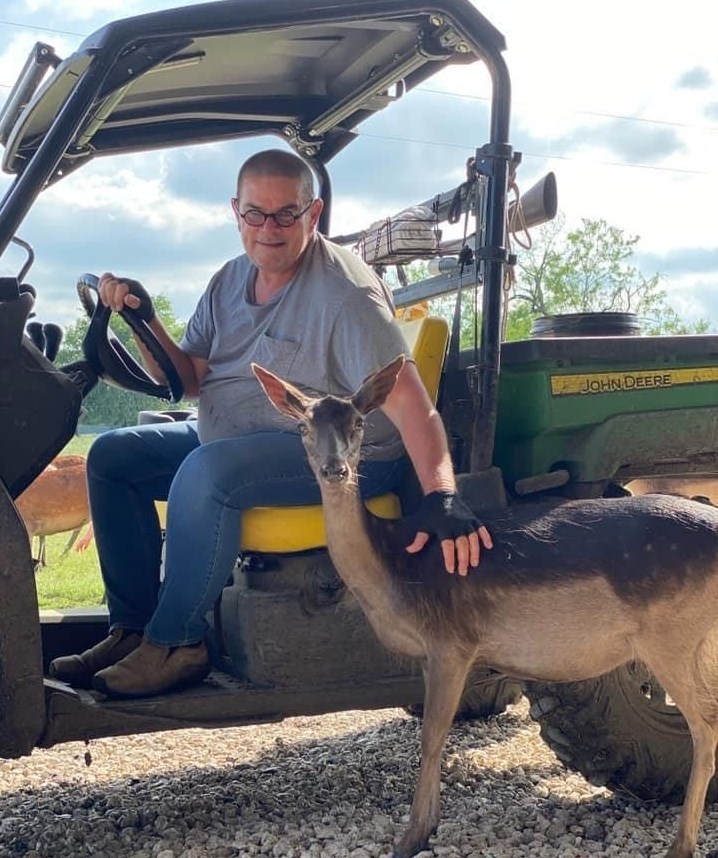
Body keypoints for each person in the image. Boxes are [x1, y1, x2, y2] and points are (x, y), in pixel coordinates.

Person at [49, 149, 492, 698]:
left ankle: (179, 643)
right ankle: (133, 631)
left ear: (313, 212)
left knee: (208, 472)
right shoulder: (229, 279)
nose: (269, 229)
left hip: (339, 456)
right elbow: (189, 380)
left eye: (286, 214)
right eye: (256, 214)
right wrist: (145, 318)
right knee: (114, 457)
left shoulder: (345, 295)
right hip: (234, 441)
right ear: (236, 212)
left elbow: (412, 406)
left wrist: (442, 495)